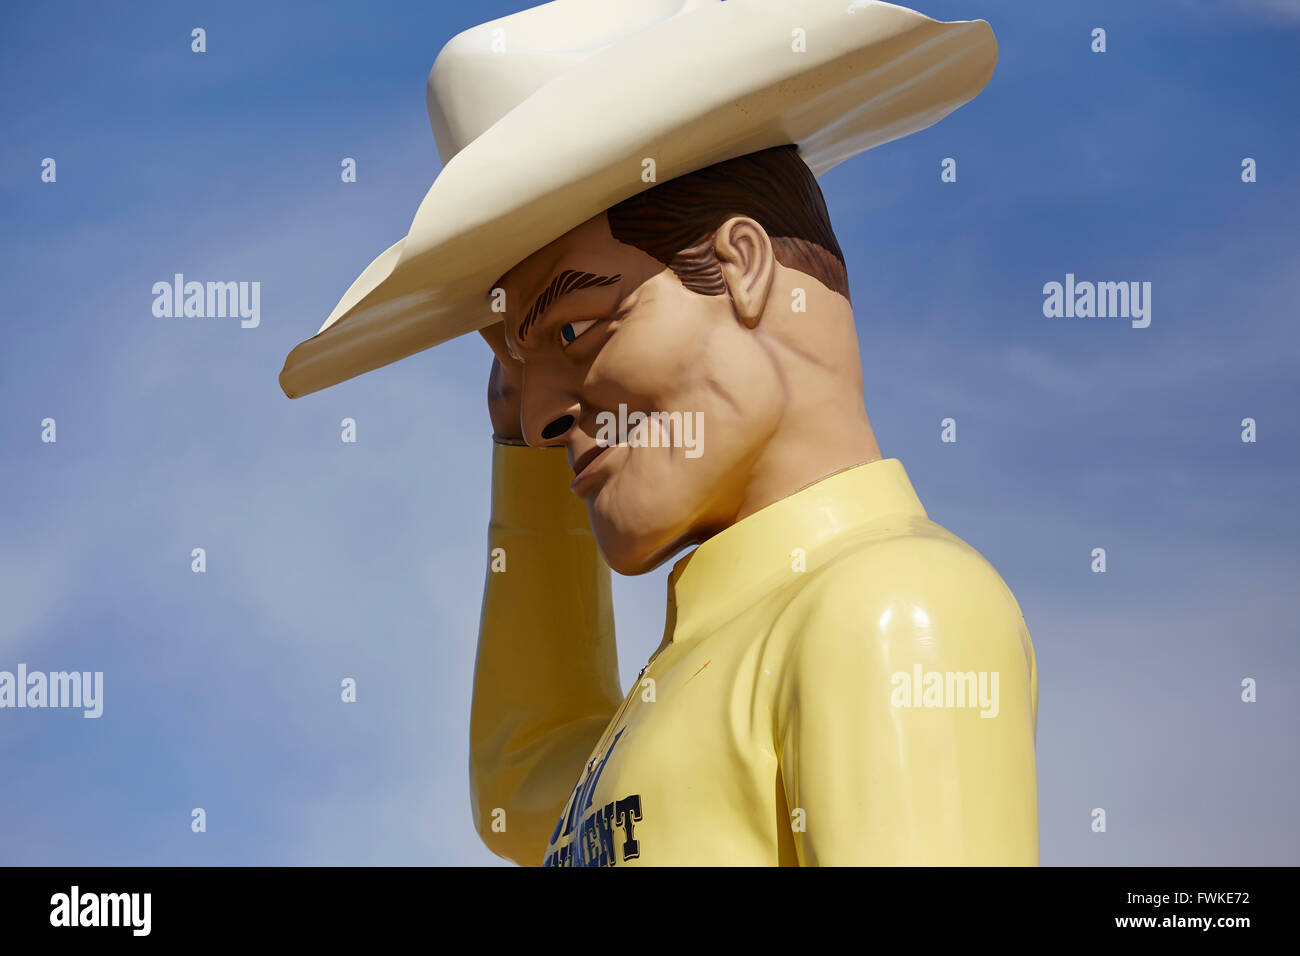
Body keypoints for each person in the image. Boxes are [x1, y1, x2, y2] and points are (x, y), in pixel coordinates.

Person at [278, 0, 1035, 866]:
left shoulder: (891, 608)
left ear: (744, 268)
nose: (538, 415)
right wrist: (521, 437)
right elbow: (523, 784)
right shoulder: (700, 677)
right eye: (524, 372)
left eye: (574, 329)